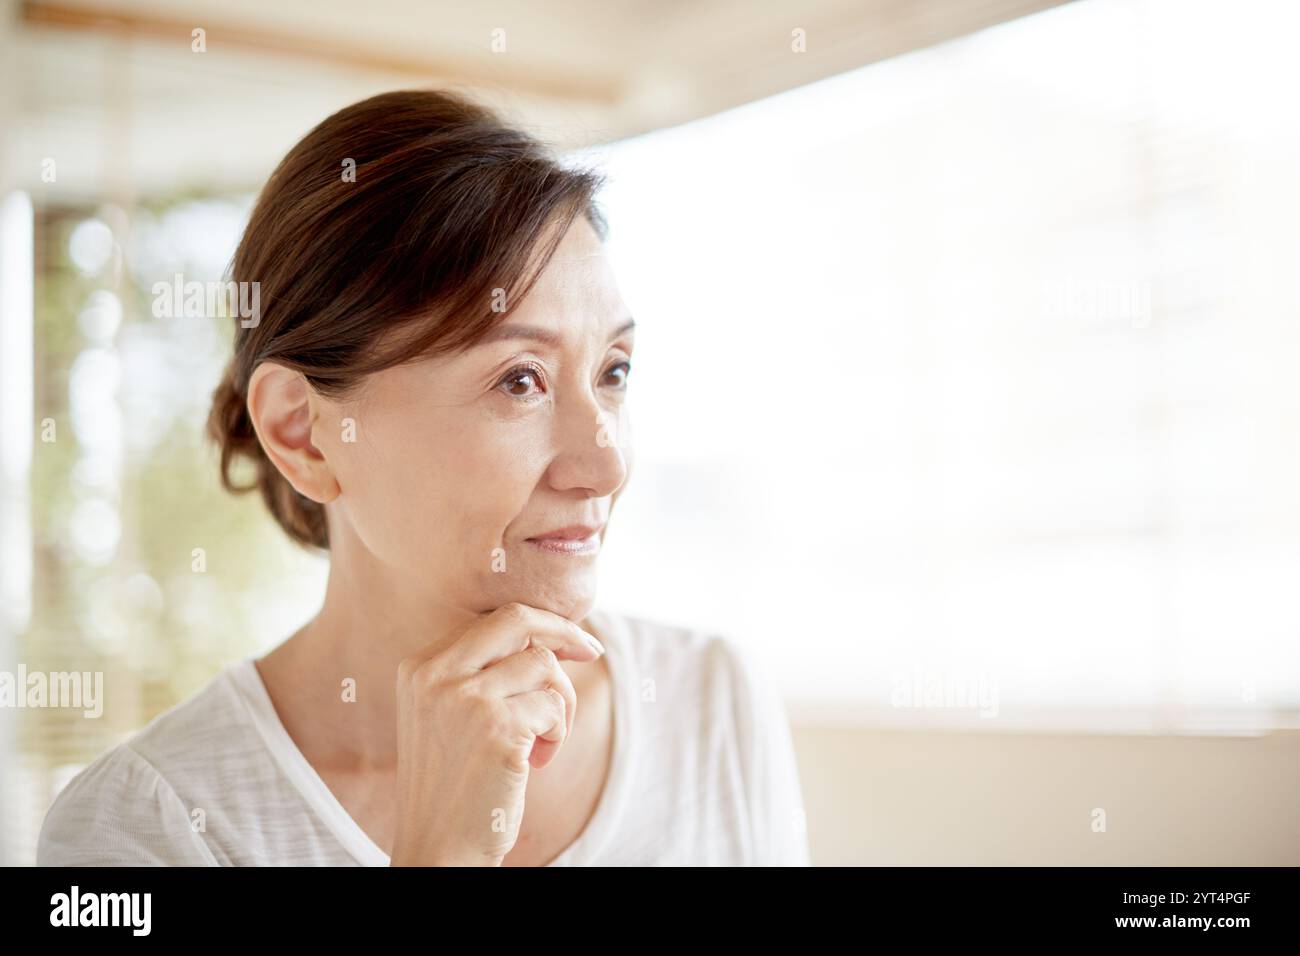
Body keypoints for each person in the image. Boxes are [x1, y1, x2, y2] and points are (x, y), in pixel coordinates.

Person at [36, 89, 810, 866]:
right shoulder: (142, 827)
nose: (606, 463)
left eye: (613, 370)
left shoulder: (711, 707)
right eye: (520, 380)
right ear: (303, 432)